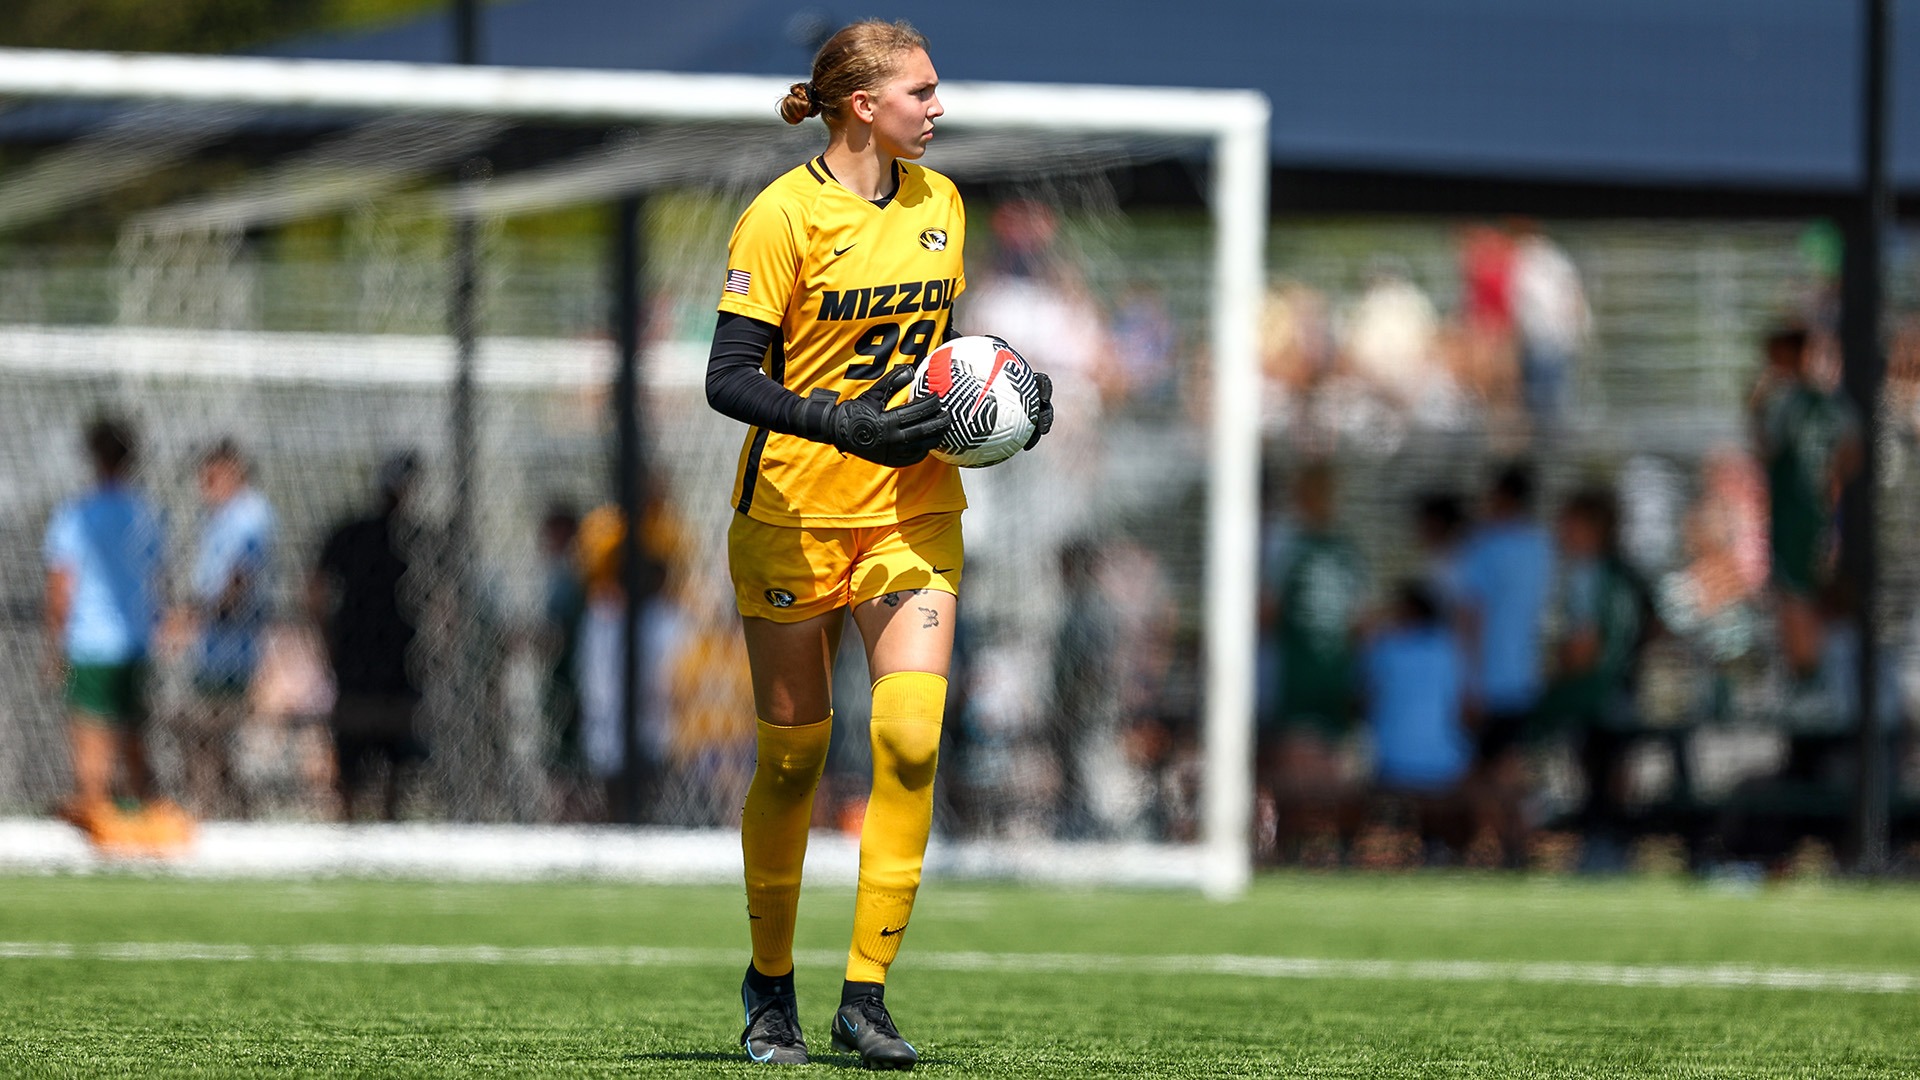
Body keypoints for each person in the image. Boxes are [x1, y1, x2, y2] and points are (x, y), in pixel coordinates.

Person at [702, 19, 1051, 1067]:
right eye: (924, 93)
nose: (939, 110)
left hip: (913, 513)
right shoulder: (782, 218)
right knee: (796, 759)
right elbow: (728, 379)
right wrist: (840, 421)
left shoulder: (942, 203)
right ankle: (771, 988)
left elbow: (947, 362)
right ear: (864, 104)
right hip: (796, 519)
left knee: (906, 741)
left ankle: (867, 994)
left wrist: (1016, 398)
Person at [44, 418, 188, 848]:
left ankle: (100, 830)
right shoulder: (146, 514)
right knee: (133, 740)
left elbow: (61, 586)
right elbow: (158, 579)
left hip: (89, 642)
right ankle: (143, 823)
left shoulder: (76, 515)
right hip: (134, 643)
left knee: (91, 744)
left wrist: (54, 644)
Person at [1536, 489, 1655, 868]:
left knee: (1594, 775)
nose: (1560, 531)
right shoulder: (1626, 575)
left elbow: (1583, 650)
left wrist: (1554, 670)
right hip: (1623, 691)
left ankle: (1599, 856)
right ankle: (1614, 851)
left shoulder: (1588, 575)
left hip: (1592, 696)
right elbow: (1653, 628)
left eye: (1567, 522)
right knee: (1613, 775)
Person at [308, 451, 427, 822]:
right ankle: (350, 827)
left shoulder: (416, 538)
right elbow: (316, 589)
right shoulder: (356, 534)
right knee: (352, 750)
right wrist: (325, 641)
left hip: (395, 658)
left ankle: (383, 830)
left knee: (393, 753)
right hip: (360, 656)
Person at [1258, 461, 1367, 862]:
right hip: (1336, 677)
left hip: (1299, 678)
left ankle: (1290, 853)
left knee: (1295, 777)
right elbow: (1362, 624)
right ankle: (1338, 853)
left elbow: (1266, 614)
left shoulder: (1291, 550)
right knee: (1330, 774)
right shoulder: (1348, 554)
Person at [1750, 323, 1861, 683]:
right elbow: (1851, 457)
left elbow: (1767, 450)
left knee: (1795, 598)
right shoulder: (1832, 406)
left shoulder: (1784, 404)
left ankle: (1810, 679)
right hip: (1820, 514)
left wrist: (1755, 410)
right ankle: (1819, 677)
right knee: (1813, 595)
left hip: (1794, 516)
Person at [1457, 462, 1554, 864]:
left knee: (1483, 771)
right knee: (1511, 765)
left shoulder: (1483, 546)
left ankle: (1497, 848)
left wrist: (1468, 680)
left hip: (1488, 676)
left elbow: (1470, 616)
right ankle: (1519, 844)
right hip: (1526, 674)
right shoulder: (1540, 546)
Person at [179, 438, 277, 818]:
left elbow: (238, 583)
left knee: (207, 735)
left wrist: (193, 618)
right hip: (212, 652)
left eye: (211, 475)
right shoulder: (218, 519)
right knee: (209, 741)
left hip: (234, 654)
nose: (204, 483)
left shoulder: (250, 516)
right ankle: (232, 814)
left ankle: (213, 812)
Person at [1358, 581, 1472, 855]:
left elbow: (1362, 698)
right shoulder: (1450, 650)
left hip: (1391, 764)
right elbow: (1463, 708)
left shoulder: (1383, 648)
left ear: (1407, 612)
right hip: (1446, 766)